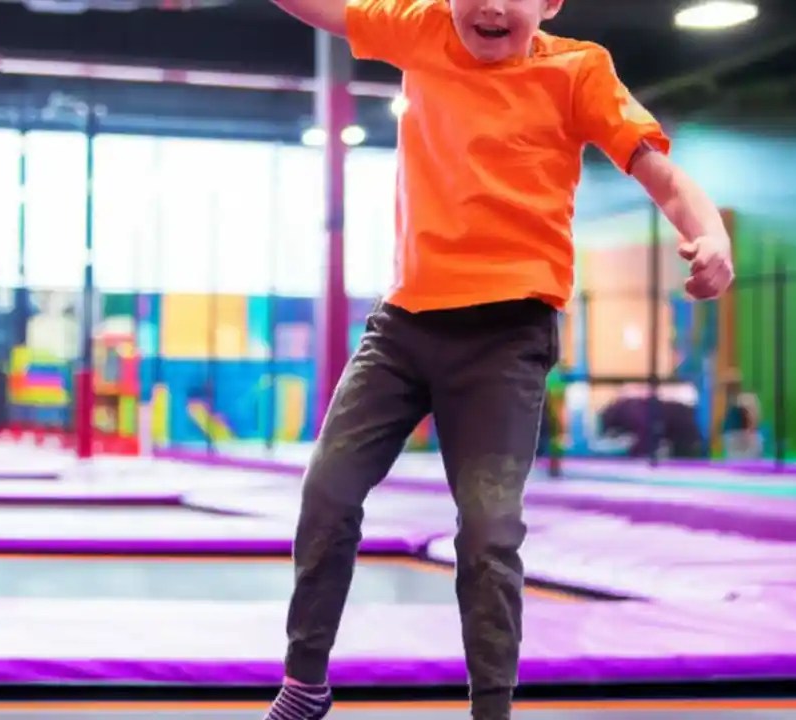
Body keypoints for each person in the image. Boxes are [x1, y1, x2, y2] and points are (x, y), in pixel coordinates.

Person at [264, 0, 736, 718]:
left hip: (506, 337)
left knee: (487, 532)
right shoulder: (419, 28)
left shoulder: (578, 71)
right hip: (405, 326)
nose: (488, 5)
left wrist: (709, 234)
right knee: (326, 492)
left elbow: (658, 170)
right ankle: (305, 685)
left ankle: (491, 710)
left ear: (549, 3)